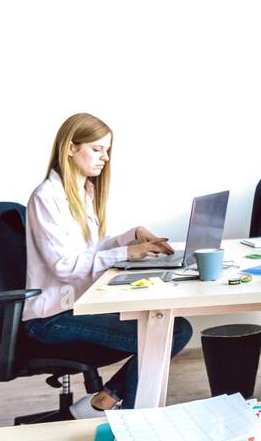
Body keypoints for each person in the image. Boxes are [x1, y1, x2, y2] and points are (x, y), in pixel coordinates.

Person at [23, 113, 193, 417]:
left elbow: (91, 250)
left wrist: (133, 236)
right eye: (97, 149)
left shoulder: (84, 191)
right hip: (51, 317)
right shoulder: (45, 197)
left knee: (169, 326)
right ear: (71, 148)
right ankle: (111, 403)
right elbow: (65, 265)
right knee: (170, 331)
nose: (105, 158)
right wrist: (127, 254)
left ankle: (107, 399)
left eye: (108, 150)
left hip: (80, 305)